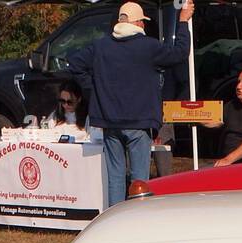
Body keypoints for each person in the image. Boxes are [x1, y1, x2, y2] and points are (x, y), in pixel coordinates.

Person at [68, 0, 194, 205]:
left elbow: (74, 64)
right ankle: (136, 222)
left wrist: (93, 87)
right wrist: (182, 22)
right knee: (140, 180)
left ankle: (115, 222)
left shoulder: (101, 46)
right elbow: (179, 53)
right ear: (138, 23)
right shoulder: (149, 46)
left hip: (110, 122)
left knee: (115, 178)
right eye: (142, 22)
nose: (144, 25)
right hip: (139, 122)